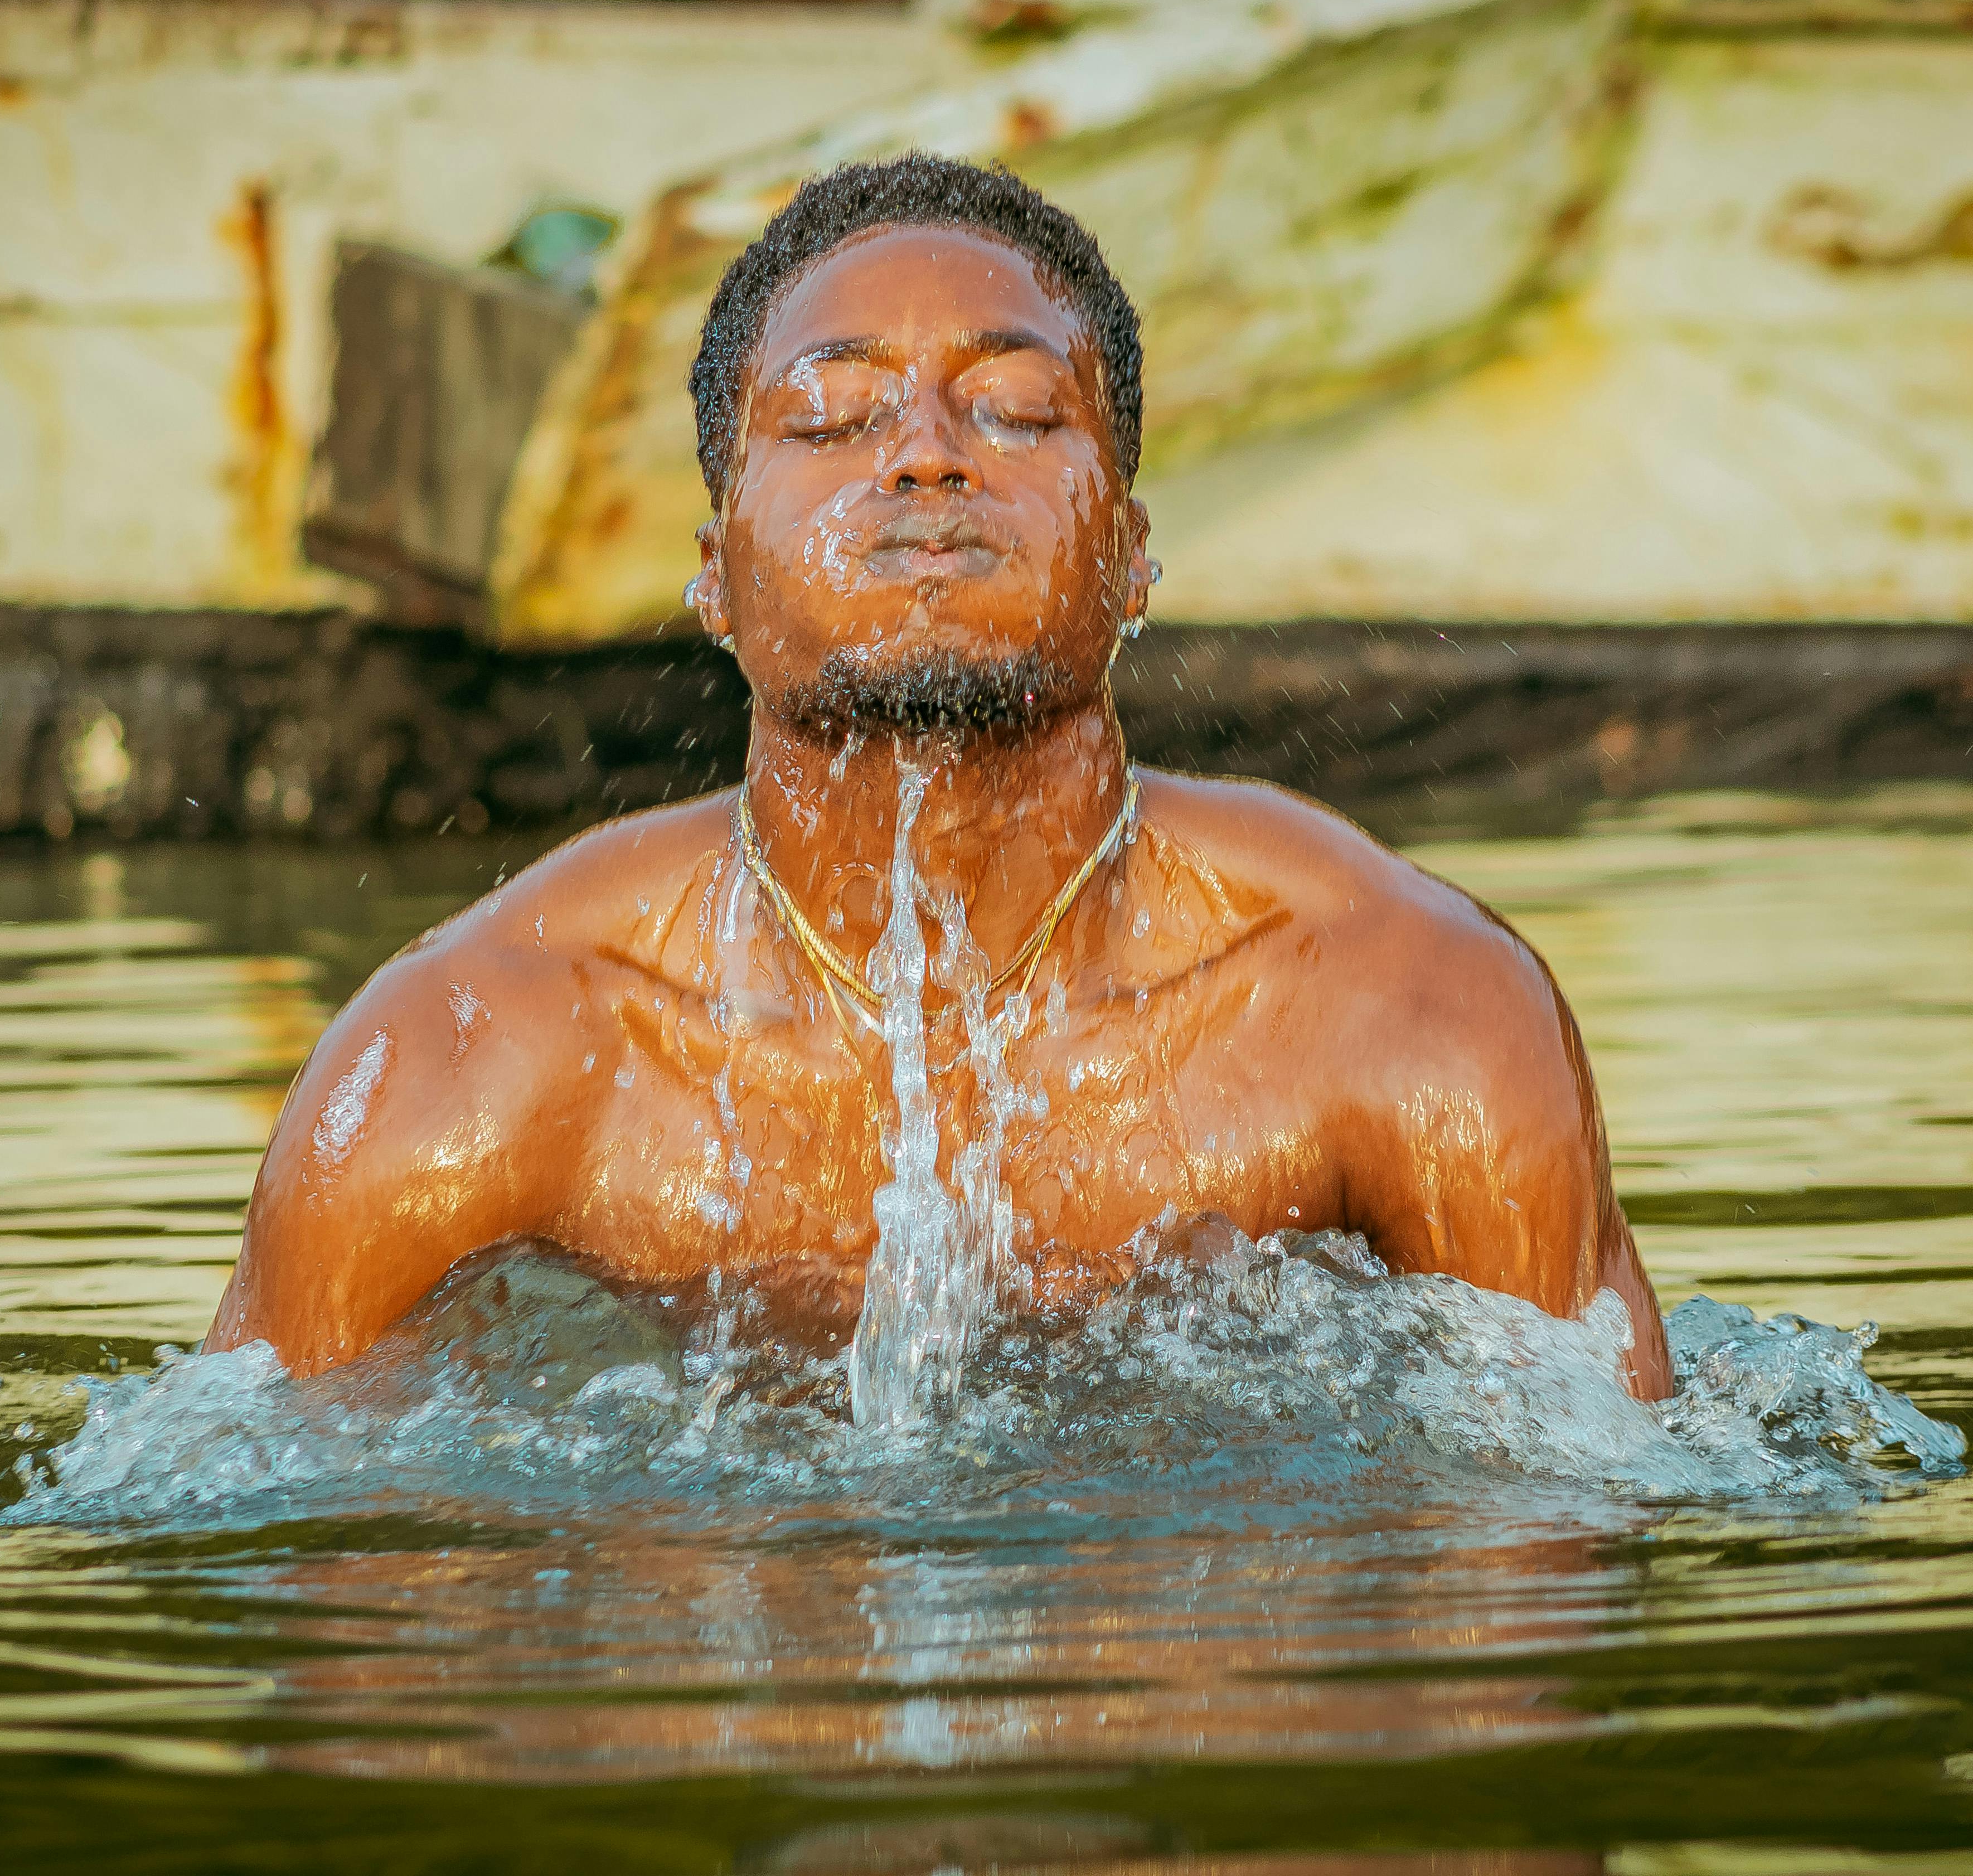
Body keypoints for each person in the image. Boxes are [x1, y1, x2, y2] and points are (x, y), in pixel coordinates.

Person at [207, 155, 1673, 1399]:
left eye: (1019, 411)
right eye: (835, 418)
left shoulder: (1407, 1007)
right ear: (715, 574)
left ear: (1133, 551)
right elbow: (296, 1580)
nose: (924, 457)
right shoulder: (468, 1054)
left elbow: (1565, 1569)